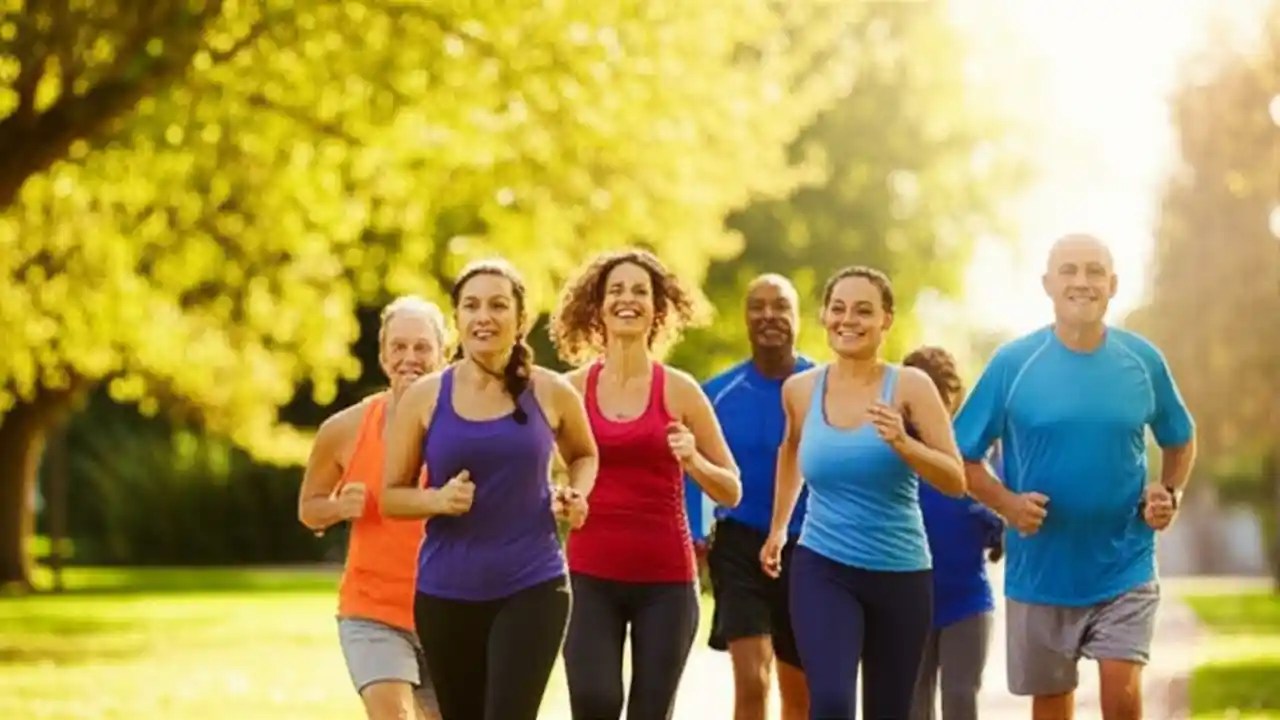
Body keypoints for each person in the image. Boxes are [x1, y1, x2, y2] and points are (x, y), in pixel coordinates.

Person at [953, 233, 1196, 720]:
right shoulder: (1014, 364)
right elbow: (961, 457)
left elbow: (1180, 436)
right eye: (1069, 271)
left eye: (1094, 271)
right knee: (1052, 704)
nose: (1081, 282)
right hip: (1041, 570)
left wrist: (1169, 491)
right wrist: (1007, 504)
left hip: (1124, 561)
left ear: (1113, 285)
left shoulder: (1142, 361)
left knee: (1122, 697)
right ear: (1048, 284)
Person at [380, 259, 600, 720]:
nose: (484, 316)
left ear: (521, 320)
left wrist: (575, 494)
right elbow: (391, 495)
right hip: (446, 591)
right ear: (457, 319)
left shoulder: (552, 392)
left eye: (498, 305)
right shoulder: (425, 397)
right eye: (471, 305)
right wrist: (437, 500)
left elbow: (584, 455)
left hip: (533, 584)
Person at [761, 265, 966, 720]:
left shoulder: (911, 386)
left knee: (887, 711)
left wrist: (904, 444)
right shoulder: (799, 391)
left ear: (885, 320)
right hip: (823, 565)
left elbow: (955, 479)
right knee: (831, 703)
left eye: (863, 311)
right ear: (824, 316)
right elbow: (792, 449)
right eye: (838, 309)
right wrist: (778, 529)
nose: (848, 320)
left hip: (901, 573)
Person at [549, 248, 742, 720]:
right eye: (616, 290)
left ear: (658, 309)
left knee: (649, 713)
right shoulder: (570, 390)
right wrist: (560, 497)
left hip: (667, 584)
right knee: (595, 702)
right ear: (598, 307)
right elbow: (547, 473)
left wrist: (692, 458)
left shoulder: (679, 390)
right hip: (589, 576)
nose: (627, 300)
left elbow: (731, 489)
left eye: (640, 291)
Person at [297, 296, 448, 720]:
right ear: (383, 354)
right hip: (372, 611)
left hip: (449, 610)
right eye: (398, 347)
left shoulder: (467, 429)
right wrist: (339, 508)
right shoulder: (344, 430)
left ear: (443, 354)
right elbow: (309, 509)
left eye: (422, 347)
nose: (409, 358)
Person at [699, 273, 813, 720]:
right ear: (745, 318)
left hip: (809, 547)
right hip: (739, 544)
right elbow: (692, 470)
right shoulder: (717, 394)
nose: (769, 315)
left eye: (780, 306)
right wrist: (695, 530)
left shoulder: (821, 386)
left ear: (798, 317)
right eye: (757, 306)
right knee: (752, 680)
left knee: (800, 694)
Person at [904, 346, 1004, 720]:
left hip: (966, 602)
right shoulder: (894, 453)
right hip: (908, 604)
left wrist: (998, 531)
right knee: (914, 707)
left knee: (961, 699)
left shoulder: (977, 457)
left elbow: (1003, 520)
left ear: (954, 399)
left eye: (939, 397)